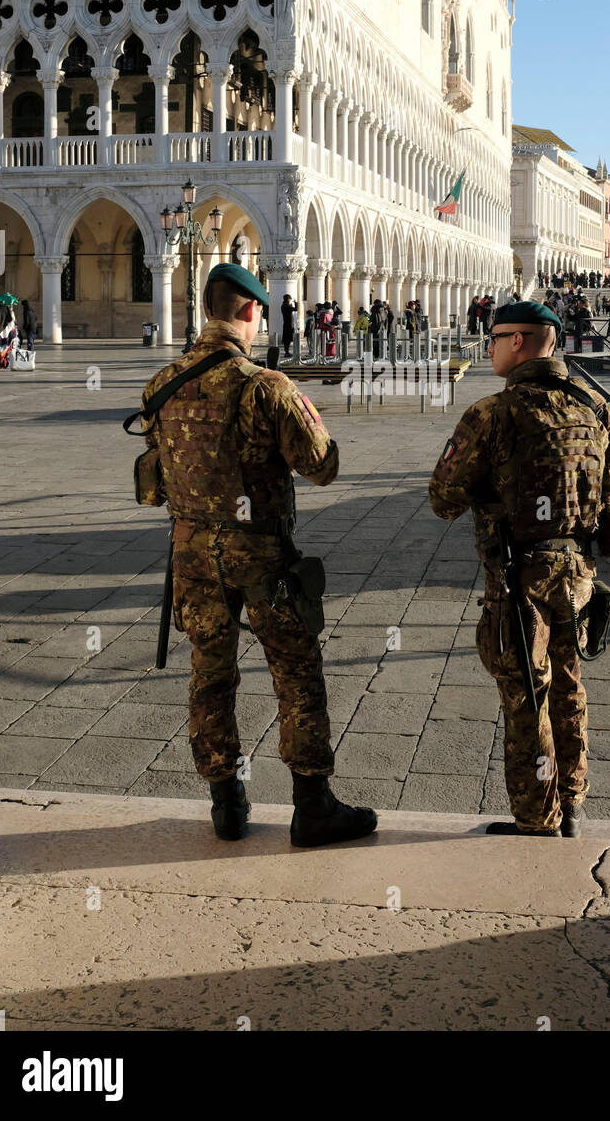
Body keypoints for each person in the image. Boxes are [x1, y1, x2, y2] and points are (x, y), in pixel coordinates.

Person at [140, 263, 377, 848]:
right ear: (250, 312)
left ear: (207, 309)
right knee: (296, 672)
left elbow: (154, 483)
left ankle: (226, 804)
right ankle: (312, 806)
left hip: (192, 554)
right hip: (262, 556)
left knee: (210, 676)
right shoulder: (267, 387)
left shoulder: (162, 384)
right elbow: (322, 467)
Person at [428, 301, 610, 837]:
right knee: (568, 684)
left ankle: (538, 814)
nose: (488, 346)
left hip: (519, 579)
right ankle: (574, 803)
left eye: (494, 337)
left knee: (526, 695)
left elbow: (443, 499)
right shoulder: (597, 408)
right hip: (577, 572)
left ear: (519, 342)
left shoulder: (492, 414)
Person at [280, 293, 296, 359]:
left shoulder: (284, 305)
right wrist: (296, 302)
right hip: (288, 324)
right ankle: (287, 352)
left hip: (286, 323)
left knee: (287, 339)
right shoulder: (286, 306)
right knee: (288, 339)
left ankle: (287, 351)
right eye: (290, 299)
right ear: (288, 299)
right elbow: (296, 309)